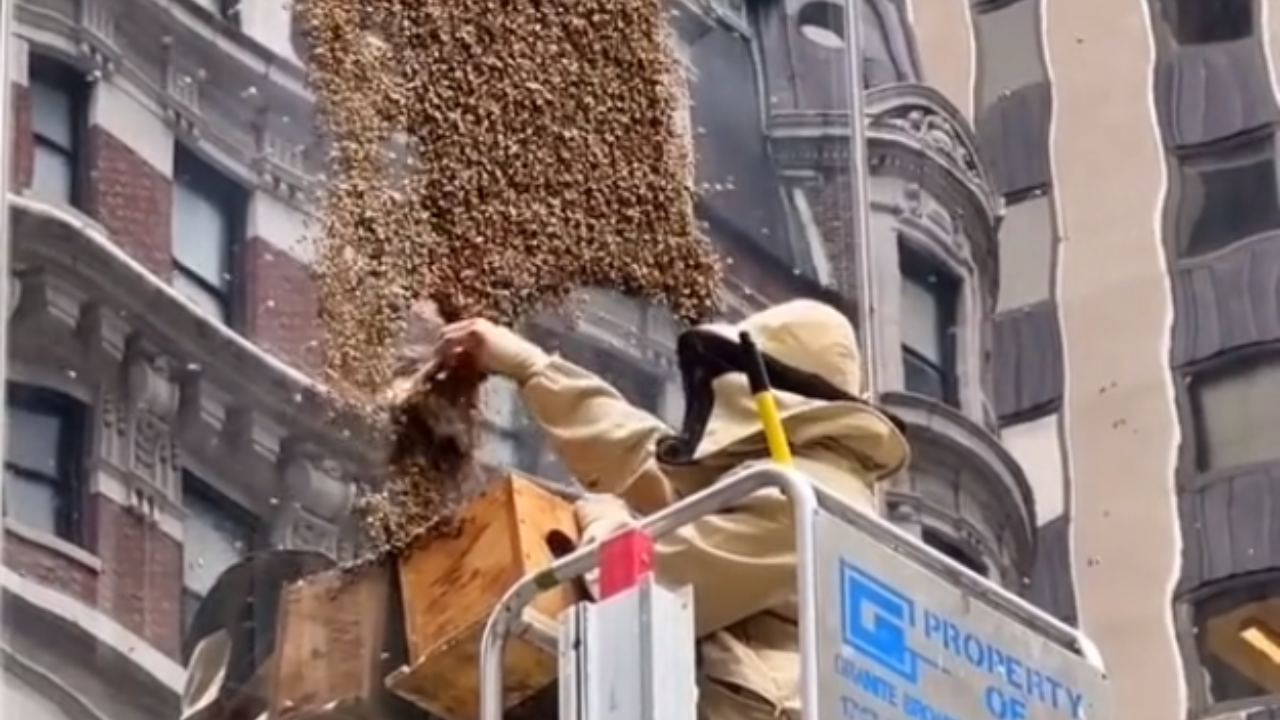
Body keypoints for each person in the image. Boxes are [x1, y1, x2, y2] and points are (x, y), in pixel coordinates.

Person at [433, 298, 910, 720]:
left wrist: (606, 523)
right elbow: (644, 456)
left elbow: (637, 595)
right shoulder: (800, 475)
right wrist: (532, 368)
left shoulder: (799, 503)